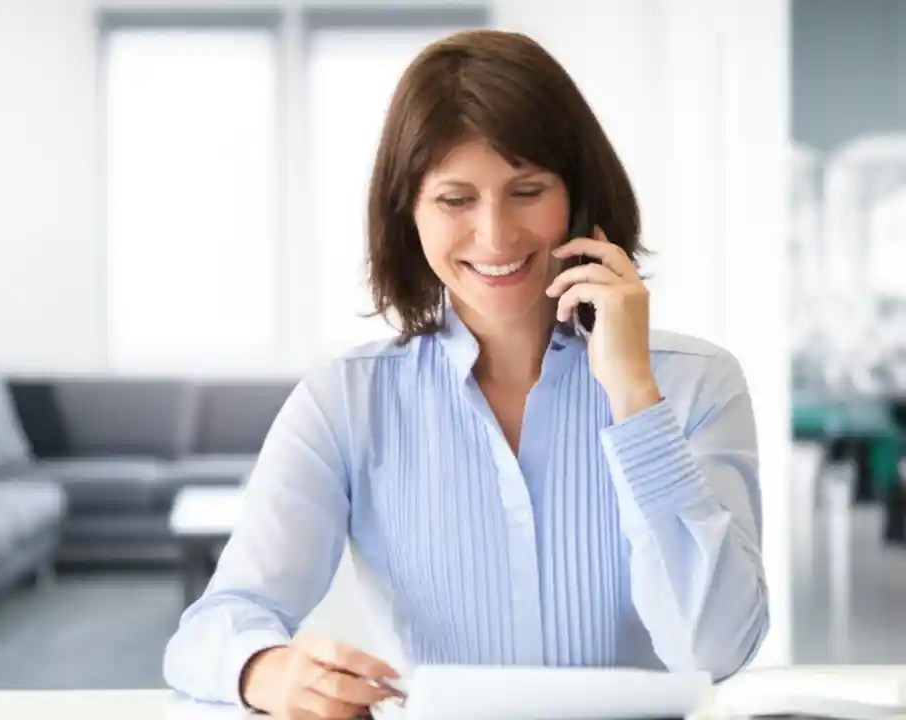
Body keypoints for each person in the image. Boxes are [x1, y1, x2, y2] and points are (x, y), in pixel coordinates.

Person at [163, 29, 768, 719]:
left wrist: (634, 397)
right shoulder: (346, 403)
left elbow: (716, 650)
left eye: (527, 190)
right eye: (456, 200)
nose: (496, 235)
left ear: (579, 199)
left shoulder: (696, 386)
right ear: (408, 215)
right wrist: (268, 671)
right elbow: (211, 629)